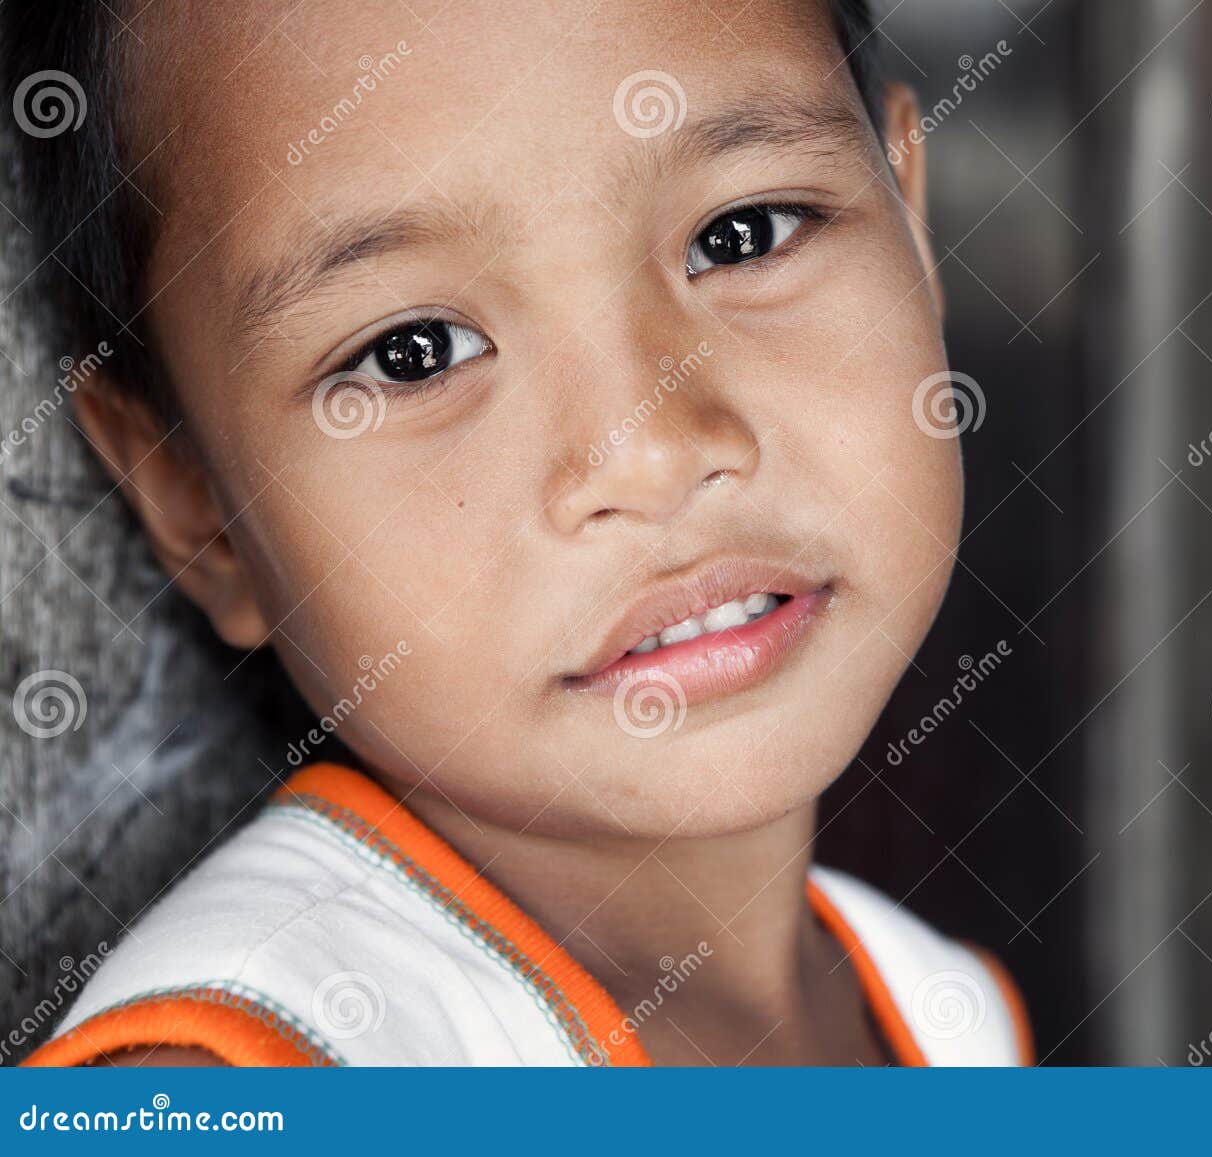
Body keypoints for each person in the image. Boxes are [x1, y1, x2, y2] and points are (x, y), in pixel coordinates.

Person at [3, 0, 1030, 1066]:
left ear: (910, 216)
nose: (653, 451)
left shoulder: (948, 1010)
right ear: (191, 498)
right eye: (414, 352)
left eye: (744, 233)